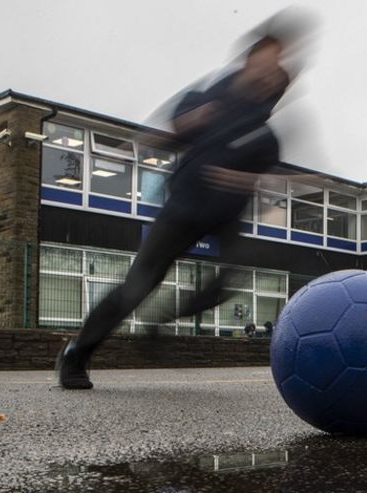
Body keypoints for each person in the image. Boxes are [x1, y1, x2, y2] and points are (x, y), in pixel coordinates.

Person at [57, 11, 315, 389]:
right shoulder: (209, 96)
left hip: (226, 215)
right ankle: (76, 354)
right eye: (269, 62)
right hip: (183, 207)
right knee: (137, 285)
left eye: (279, 76)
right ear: (252, 58)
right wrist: (146, 140)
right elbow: (172, 129)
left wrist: (244, 178)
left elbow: (276, 178)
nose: (271, 76)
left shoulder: (264, 135)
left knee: (230, 278)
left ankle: (159, 321)